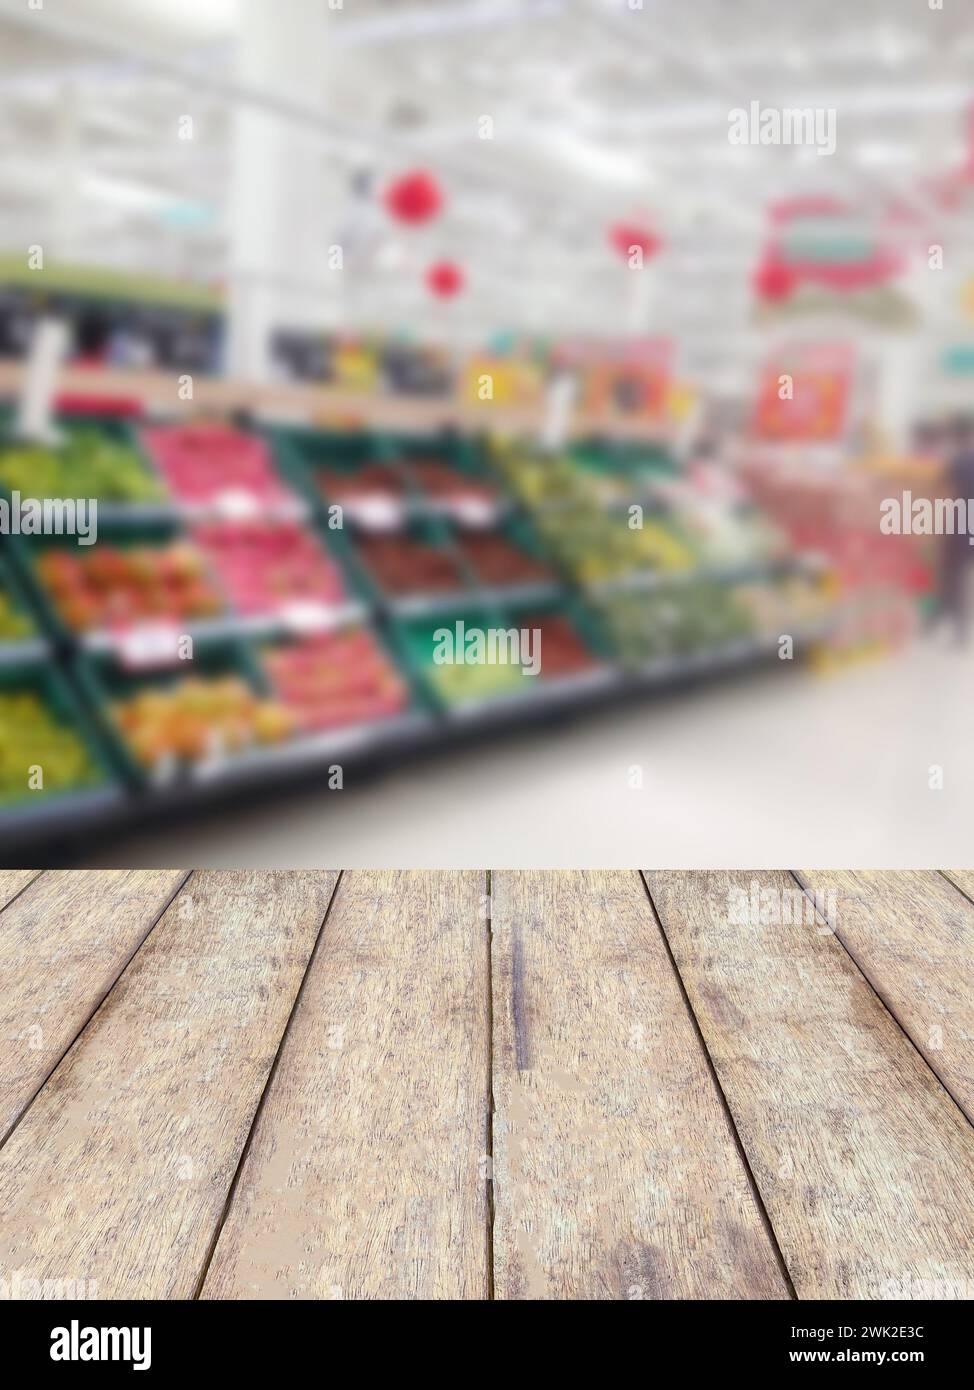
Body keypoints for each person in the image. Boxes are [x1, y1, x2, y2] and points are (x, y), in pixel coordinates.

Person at [938, 416, 974, 644]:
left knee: (955, 574)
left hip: (962, 519)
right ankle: (950, 619)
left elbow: (945, 488)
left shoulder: (958, 459)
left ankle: (959, 629)